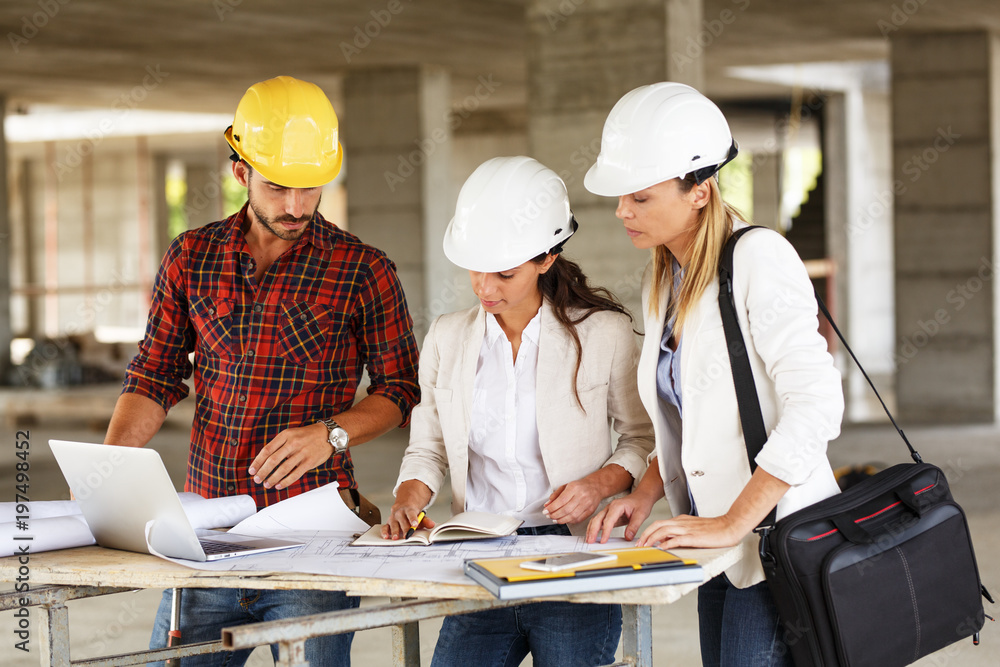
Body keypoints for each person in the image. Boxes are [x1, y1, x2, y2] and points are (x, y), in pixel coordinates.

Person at [103, 75, 420, 667]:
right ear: (240, 171)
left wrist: (333, 434)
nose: (297, 207)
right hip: (205, 536)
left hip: (315, 539)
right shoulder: (190, 257)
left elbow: (401, 390)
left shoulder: (363, 270)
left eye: (311, 188)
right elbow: (154, 374)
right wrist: (108, 466)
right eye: (278, 188)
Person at [583, 83, 844, 666]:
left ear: (699, 191)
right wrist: (645, 494)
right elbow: (690, 417)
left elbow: (817, 406)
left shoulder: (758, 258)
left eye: (641, 198)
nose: (623, 210)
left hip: (773, 546)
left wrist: (732, 522)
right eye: (622, 195)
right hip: (715, 545)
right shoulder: (665, 282)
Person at [384, 156, 655, 667]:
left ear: (546, 259)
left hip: (572, 556)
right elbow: (428, 447)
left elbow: (641, 438)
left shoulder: (603, 333)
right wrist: (408, 499)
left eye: (504, 273)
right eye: (476, 270)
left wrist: (598, 485)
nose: (485, 288)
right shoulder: (447, 337)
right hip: (476, 553)